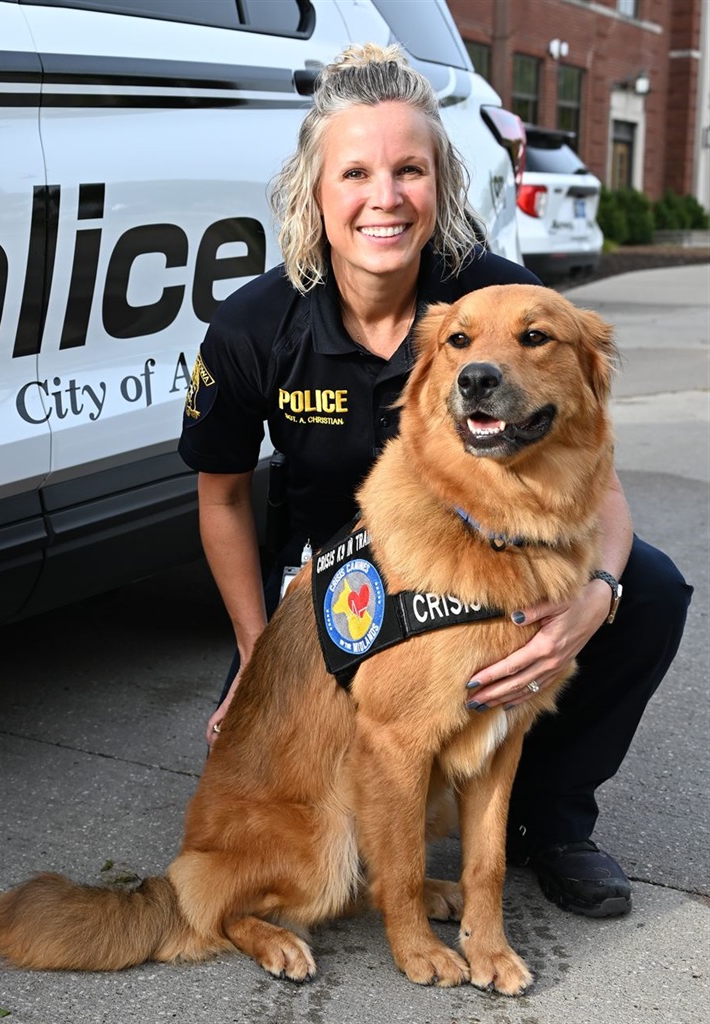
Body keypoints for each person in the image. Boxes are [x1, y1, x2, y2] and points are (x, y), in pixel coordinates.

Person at [177, 43, 691, 919]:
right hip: (328, 596)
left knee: (648, 592)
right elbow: (221, 496)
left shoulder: (497, 304)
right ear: (313, 191)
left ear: (440, 184)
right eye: (355, 173)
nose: (384, 197)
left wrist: (592, 598)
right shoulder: (255, 324)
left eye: (409, 170)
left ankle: (552, 820)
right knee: (290, 782)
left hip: (480, 552)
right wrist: (255, 653)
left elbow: (593, 476)